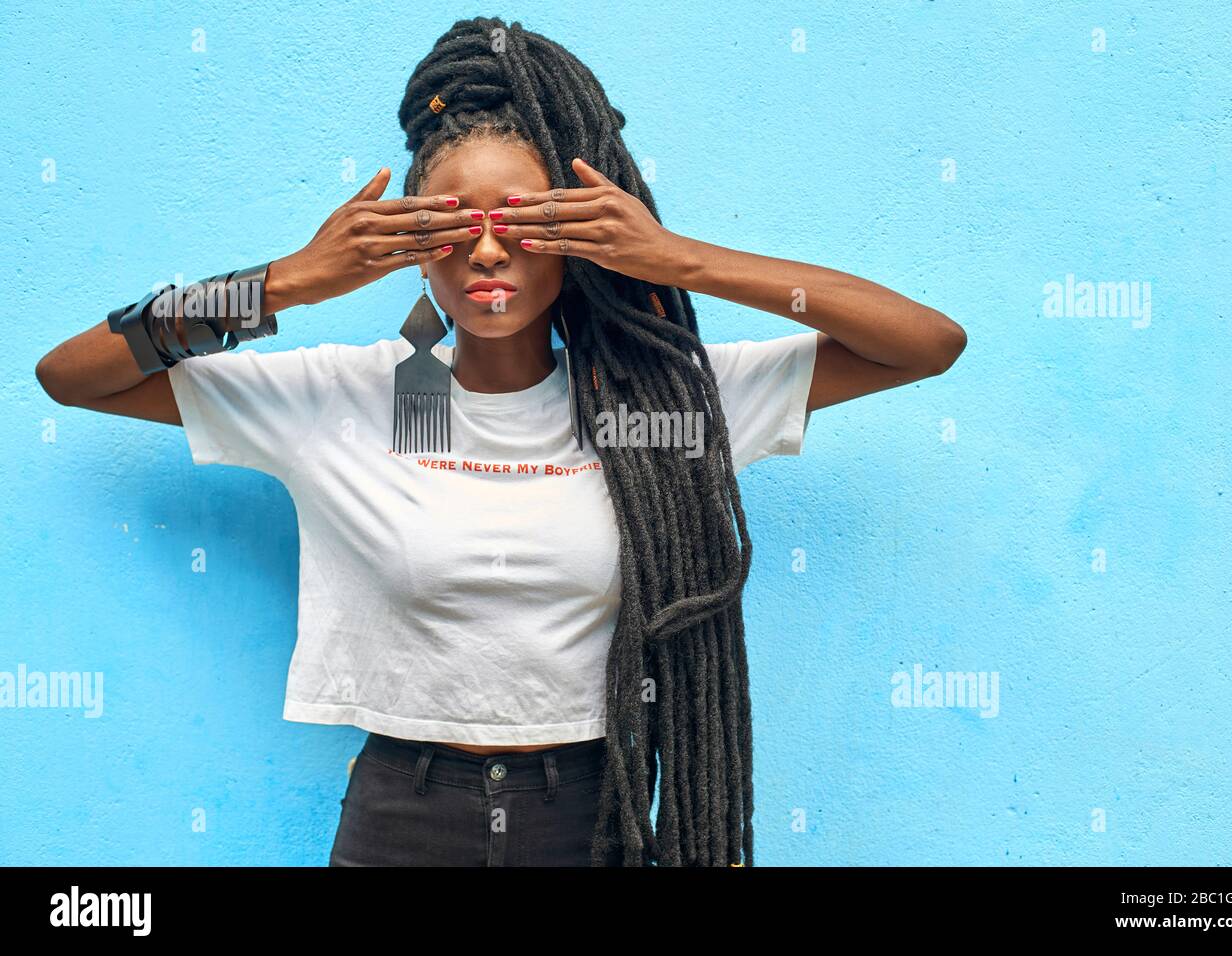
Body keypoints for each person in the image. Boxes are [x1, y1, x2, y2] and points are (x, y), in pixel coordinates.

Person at [33, 16, 966, 866]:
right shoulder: (349, 398)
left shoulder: (665, 403)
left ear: (576, 234)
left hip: (596, 815)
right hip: (403, 814)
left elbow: (926, 343)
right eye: (450, 224)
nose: (486, 251)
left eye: (525, 221)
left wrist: (675, 258)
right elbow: (73, 375)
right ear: (404, 239)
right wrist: (282, 282)